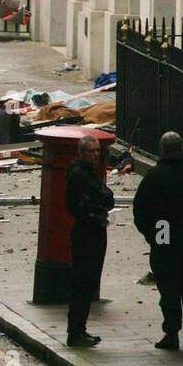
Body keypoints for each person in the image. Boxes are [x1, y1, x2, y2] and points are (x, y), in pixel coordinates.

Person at [133, 131, 183, 350]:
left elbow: (141, 211)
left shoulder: (154, 176)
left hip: (164, 238)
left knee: (168, 290)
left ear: (162, 149)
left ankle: (172, 333)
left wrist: (153, 235)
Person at [65, 135, 113, 348]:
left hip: (90, 231)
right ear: (81, 153)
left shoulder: (85, 172)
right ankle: (76, 333)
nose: (96, 154)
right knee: (84, 284)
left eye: (97, 151)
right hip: (88, 234)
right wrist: (102, 197)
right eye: (92, 151)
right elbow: (107, 198)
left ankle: (78, 330)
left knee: (84, 284)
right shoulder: (81, 175)